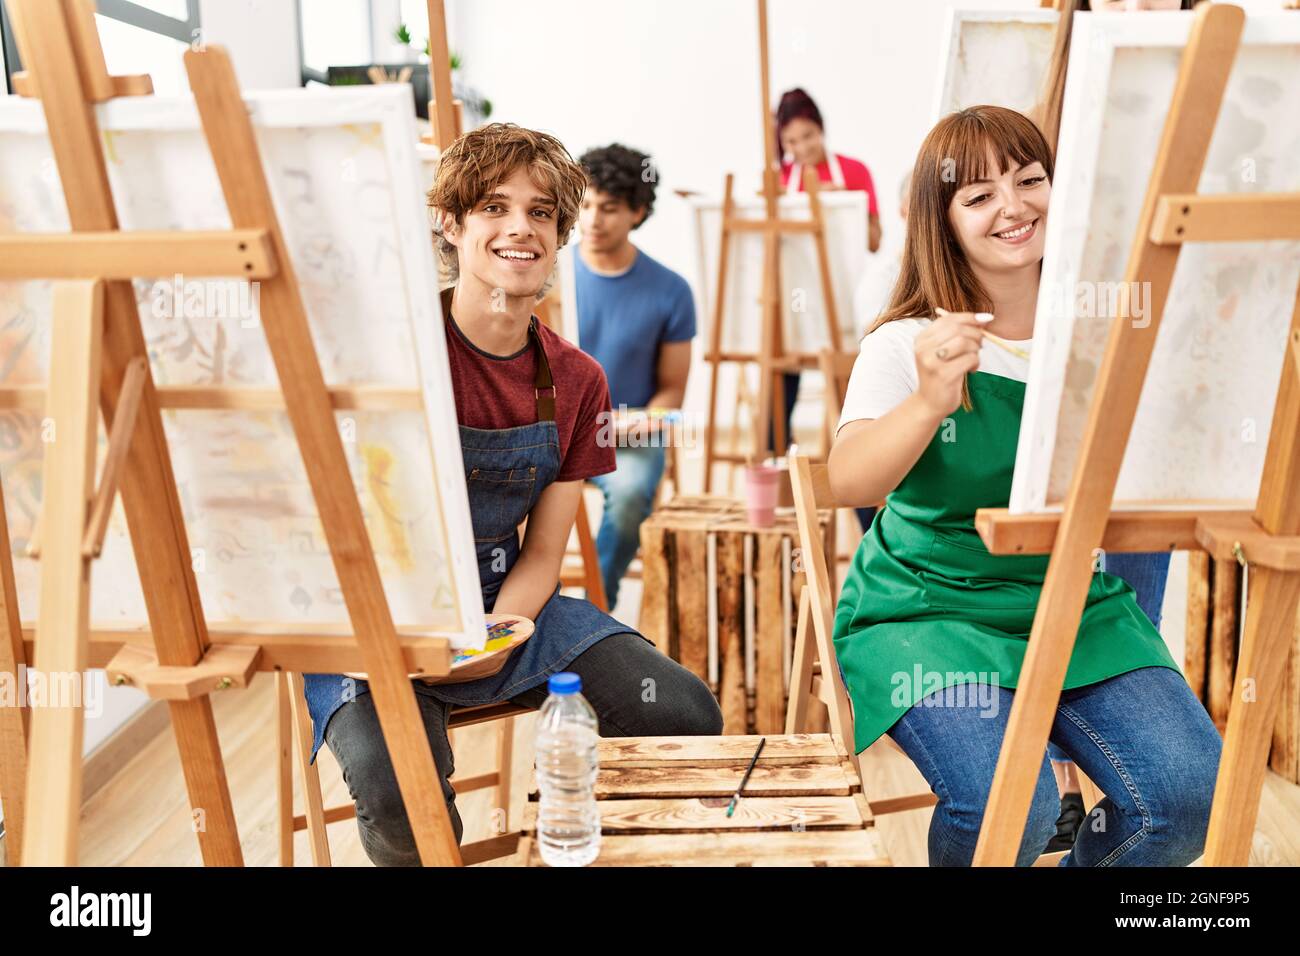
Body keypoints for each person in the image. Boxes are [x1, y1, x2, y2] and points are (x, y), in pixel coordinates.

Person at [301, 123, 722, 865]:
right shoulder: (389, 350)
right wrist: (414, 642)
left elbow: (544, 551)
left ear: (559, 236)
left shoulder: (579, 380)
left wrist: (491, 634)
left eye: (540, 213)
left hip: (506, 607)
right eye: (494, 207)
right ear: (452, 225)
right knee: (403, 794)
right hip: (373, 621)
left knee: (683, 713)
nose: (519, 228)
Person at [828, 106, 1220, 866]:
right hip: (930, 611)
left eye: (1029, 179)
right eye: (978, 196)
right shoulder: (907, 342)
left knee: (1188, 795)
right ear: (941, 222)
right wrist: (928, 402)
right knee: (1014, 807)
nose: (1013, 206)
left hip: (1074, 603)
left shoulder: (1102, 328)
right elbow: (849, 478)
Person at [1033, 0, 1192, 851]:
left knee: (1130, 602)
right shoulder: (1059, 107)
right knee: (1051, 591)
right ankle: (1065, 785)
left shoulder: (1234, 93)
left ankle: (1104, 790)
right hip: (1064, 377)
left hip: (1166, 389)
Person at [574, 143, 694, 610]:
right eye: (584, 204)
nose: (592, 220)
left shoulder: (670, 291)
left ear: (637, 213)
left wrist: (640, 419)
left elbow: (672, 391)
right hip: (556, 429)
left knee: (627, 498)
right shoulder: (547, 277)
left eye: (608, 208)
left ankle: (592, 610)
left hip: (628, 434)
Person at [770, 87, 882, 455]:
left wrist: (843, 206)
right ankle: (781, 472)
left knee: (849, 402)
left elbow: (874, 241)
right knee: (778, 378)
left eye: (808, 136)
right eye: (792, 141)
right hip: (793, 303)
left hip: (841, 298)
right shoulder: (778, 179)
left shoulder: (854, 170)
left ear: (822, 129)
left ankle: (861, 493)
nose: (802, 148)